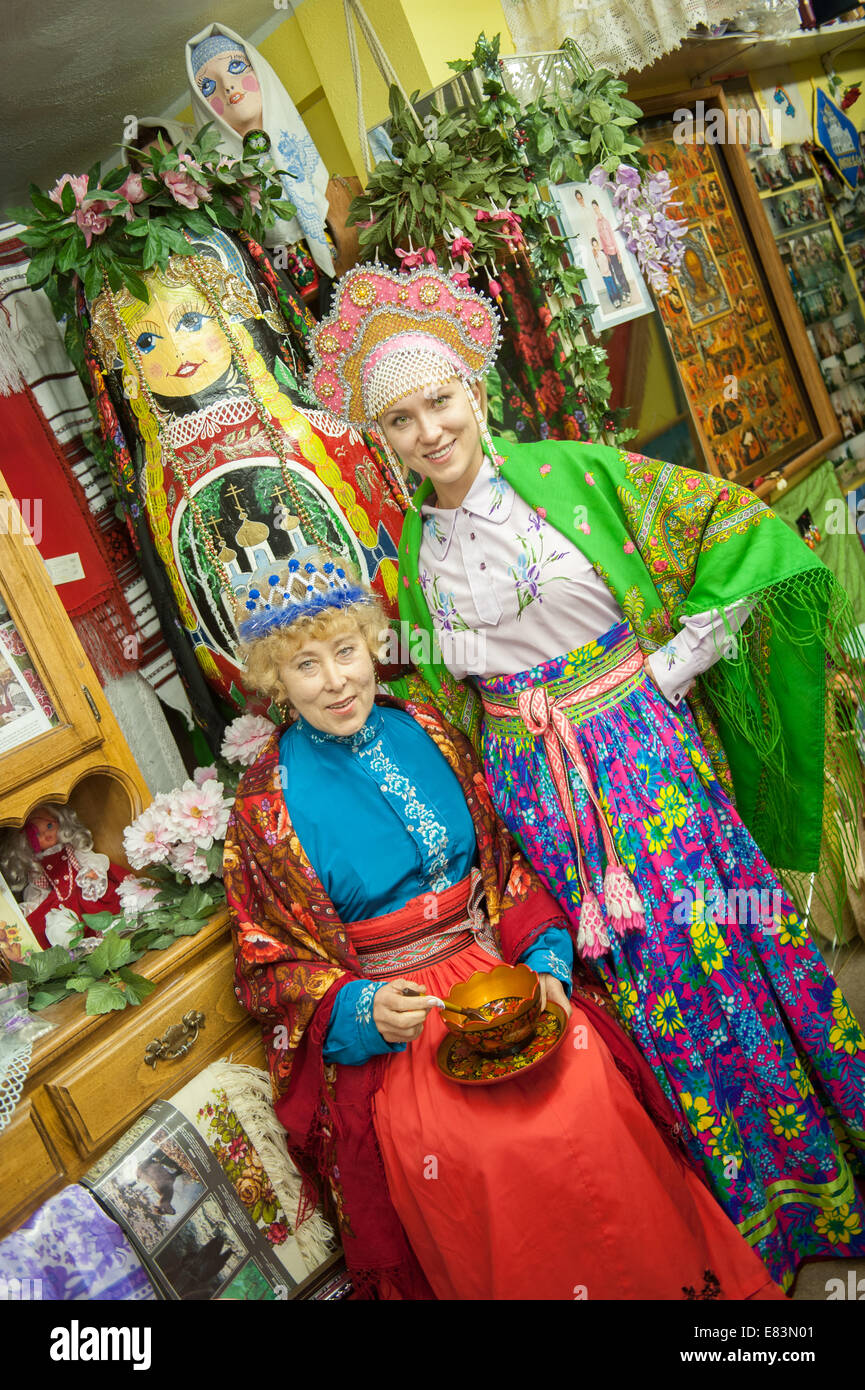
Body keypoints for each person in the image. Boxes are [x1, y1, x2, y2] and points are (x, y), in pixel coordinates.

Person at [305, 263, 865, 1292]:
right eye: (399, 421)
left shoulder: (576, 478)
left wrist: (666, 665)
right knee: (635, 996)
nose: (428, 431)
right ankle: (734, 1226)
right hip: (540, 803)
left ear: (476, 391)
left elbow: (741, 533)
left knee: (716, 955)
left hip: (645, 768)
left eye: (439, 401)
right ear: (381, 443)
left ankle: (820, 1185)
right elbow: (443, 697)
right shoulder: (408, 553)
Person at [224, 551, 785, 1300]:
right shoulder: (265, 804)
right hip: (403, 1026)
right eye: (304, 665)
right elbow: (267, 965)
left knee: (588, 1084)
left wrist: (547, 960)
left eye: (347, 651)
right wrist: (358, 1011)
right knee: (481, 1150)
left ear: (371, 643)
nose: (336, 681)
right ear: (273, 681)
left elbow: (508, 857)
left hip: (499, 977)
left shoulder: (424, 725)